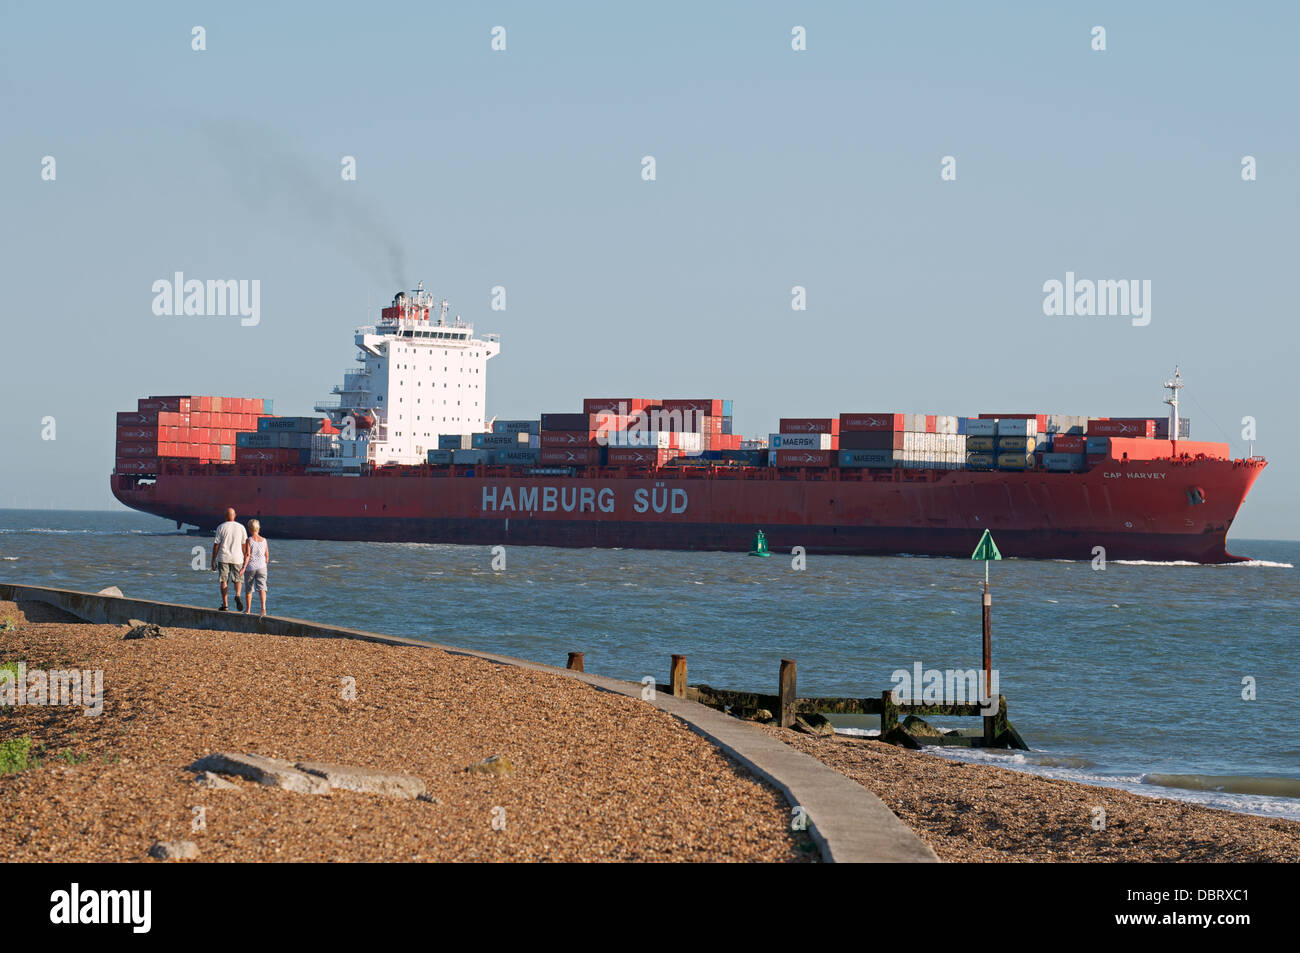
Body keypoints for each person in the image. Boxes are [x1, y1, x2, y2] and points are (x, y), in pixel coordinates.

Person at [211, 508, 247, 611]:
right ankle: (238, 595)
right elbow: (244, 545)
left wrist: (213, 560)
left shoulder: (221, 527)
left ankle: (225, 605)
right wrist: (245, 558)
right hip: (238, 558)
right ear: (234, 515)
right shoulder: (241, 527)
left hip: (224, 557)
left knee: (224, 580)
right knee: (238, 579)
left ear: (225, 516)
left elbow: (216, 545)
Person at [241, 519, 269, 617]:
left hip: (251, 567)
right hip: (262, 567)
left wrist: (244, 567)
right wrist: (264, 564)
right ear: (258, 528)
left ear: (249, 529)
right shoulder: (264, 540)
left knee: (249, 589)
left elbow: (248, 554)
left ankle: (248, 610)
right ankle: (263, 609)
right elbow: (267, 556)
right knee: (262, 588)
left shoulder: (249, 540)